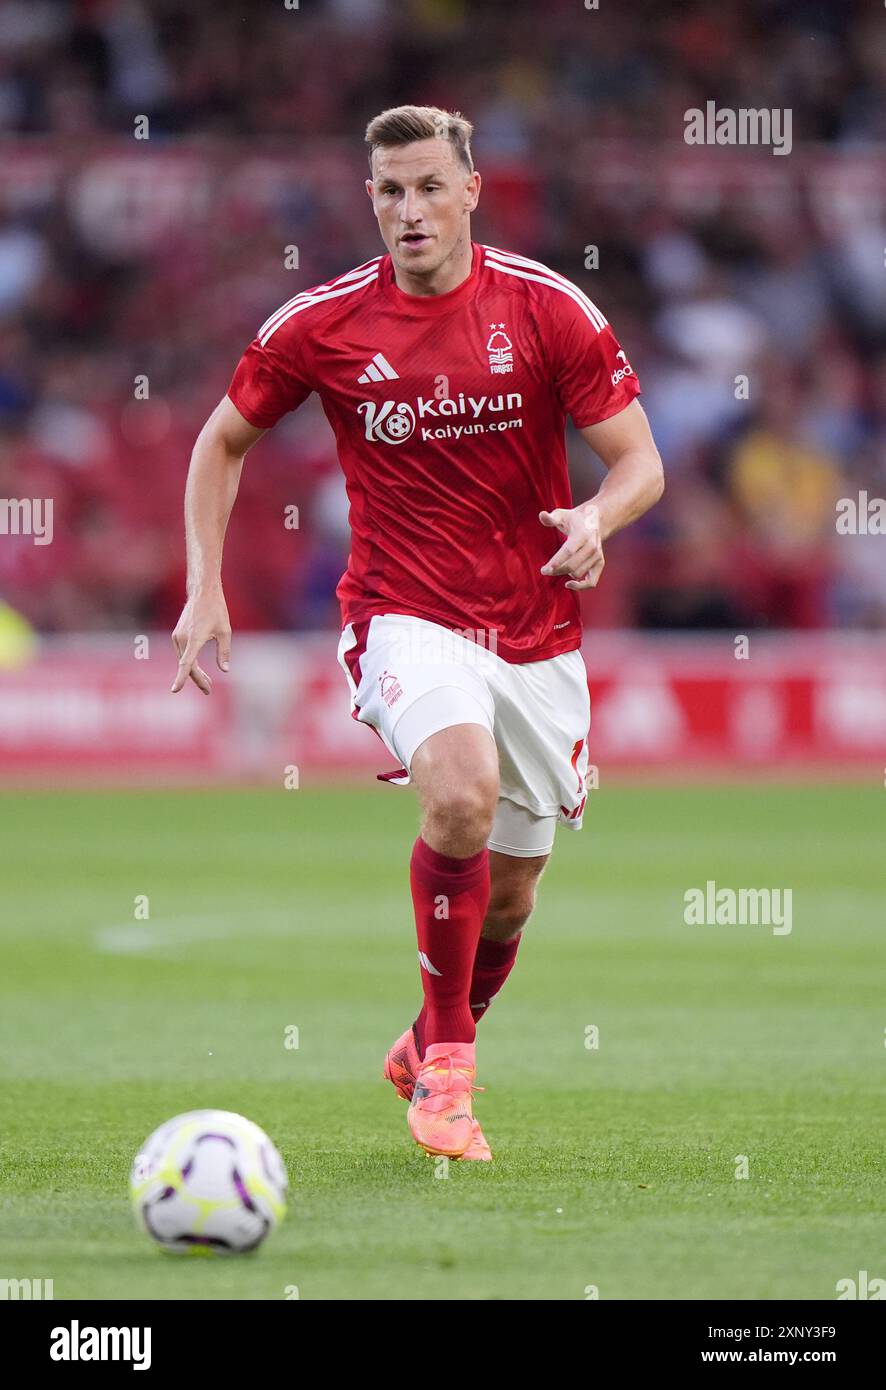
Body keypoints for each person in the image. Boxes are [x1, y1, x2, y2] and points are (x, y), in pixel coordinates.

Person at [171, 105, 664, 1161]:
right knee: (458, 793)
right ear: (370, 201)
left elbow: (640, 463)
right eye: (390, 191)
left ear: (472, 191)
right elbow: (221, 442)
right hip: (404, 613)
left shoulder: (546, 308)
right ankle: (447, 1076)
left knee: (514, 885)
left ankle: (430, 1036)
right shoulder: (323, 323)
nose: (411, 210)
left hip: (536, 629)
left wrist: (595, 516)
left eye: (431, 186)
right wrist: (204, 584)